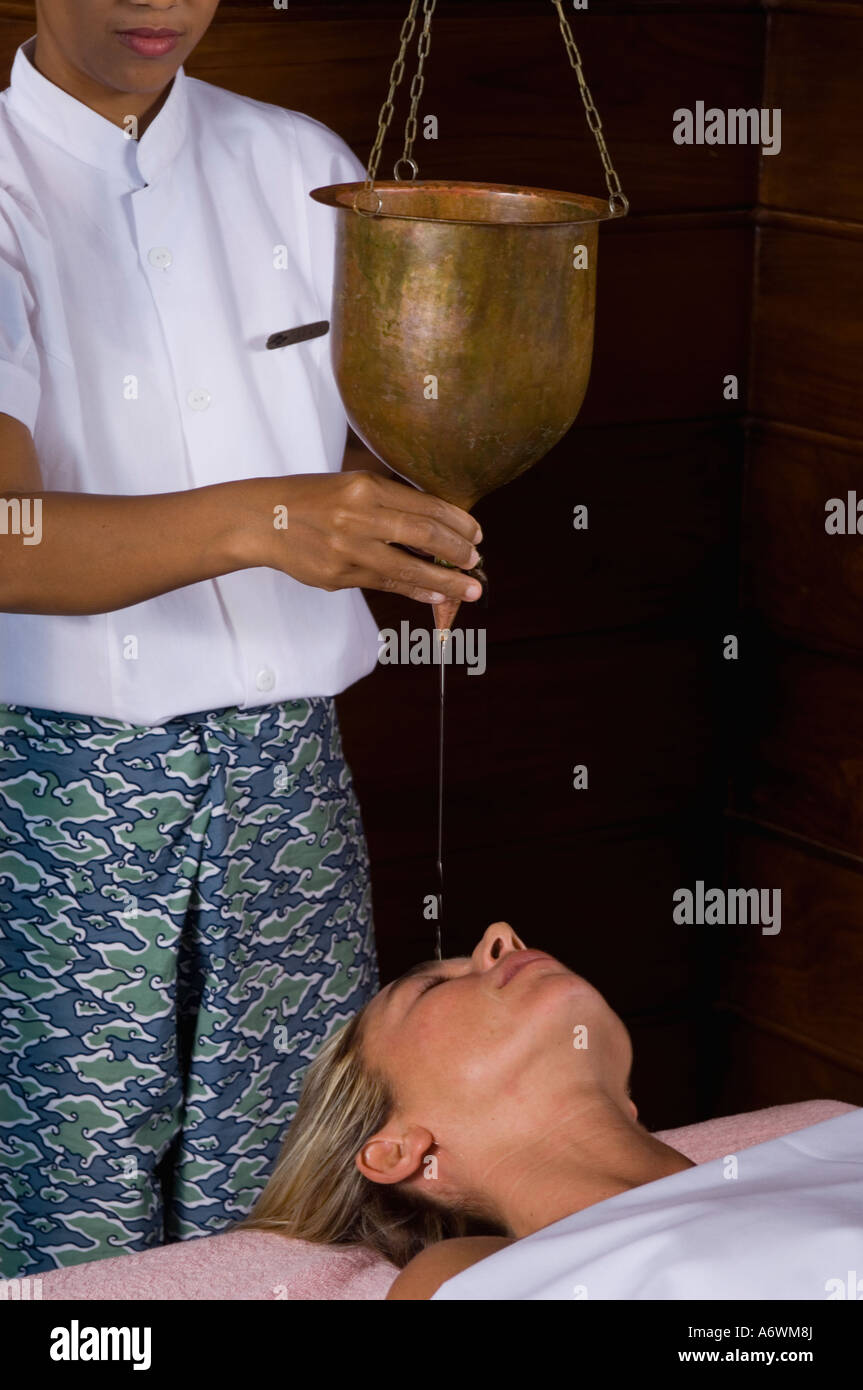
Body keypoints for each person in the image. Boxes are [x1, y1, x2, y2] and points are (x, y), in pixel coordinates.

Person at [0, 0, 483, 1278]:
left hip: (292, 786)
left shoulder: (300, 163)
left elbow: (394, 420)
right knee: (75, 1227)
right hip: (60, 797)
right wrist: (273, 521)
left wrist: (421, 492)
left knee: (299, 1208)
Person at [243, 921, 863, 1300]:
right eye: (433, 984)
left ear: (627, 1102)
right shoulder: (460, 1275)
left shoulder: (837, 1140)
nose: (502, 937)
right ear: (397, 1149)